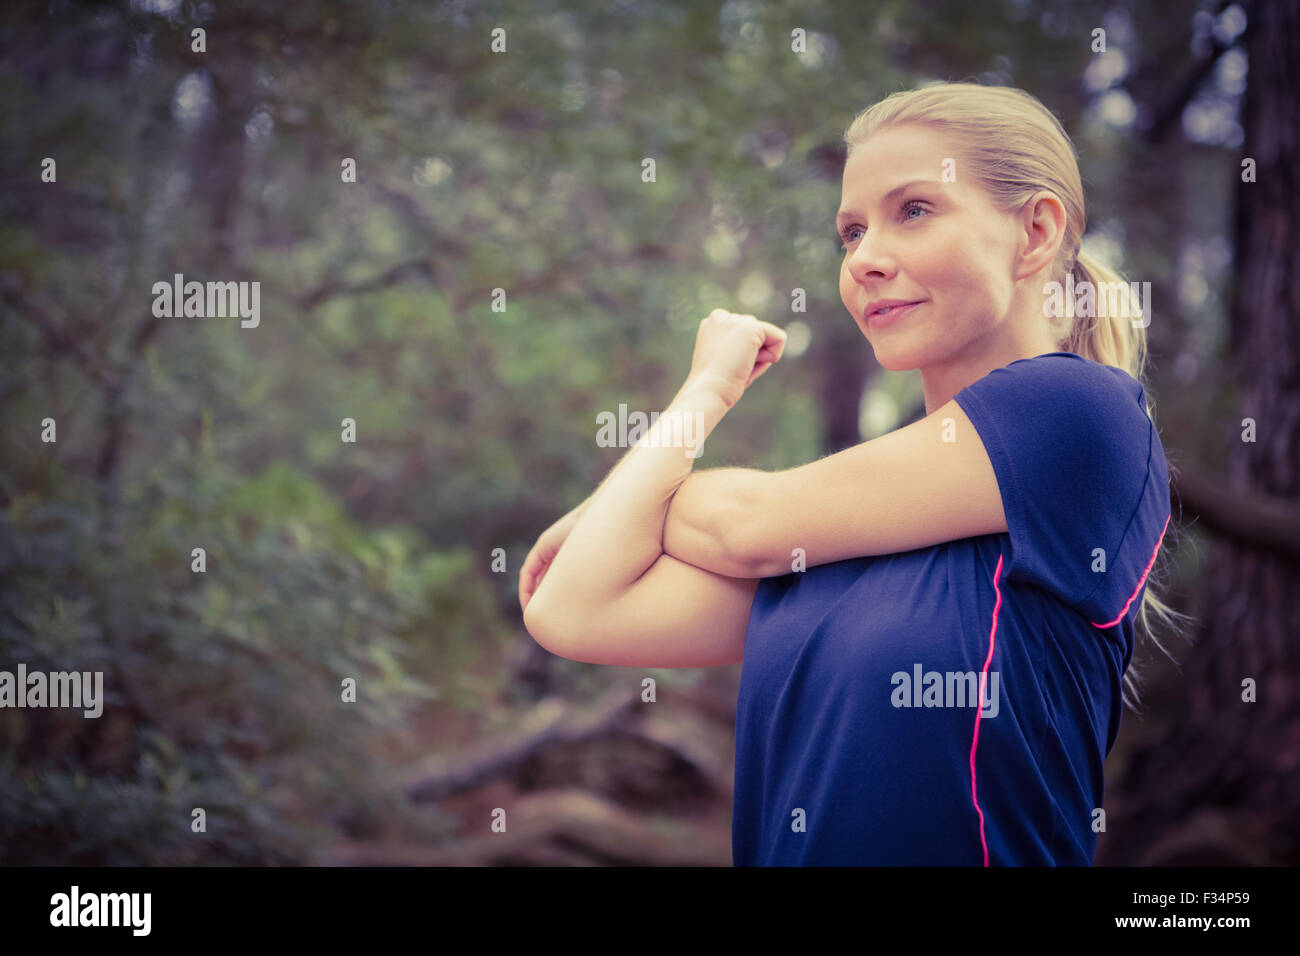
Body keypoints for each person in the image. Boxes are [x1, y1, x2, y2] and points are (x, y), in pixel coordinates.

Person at [520, 81, 1191, 866]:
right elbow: (571, 608)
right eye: (850, 231)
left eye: (914, 210)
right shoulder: (836, 534)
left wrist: (653, 489)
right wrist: (702, 394)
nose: (866, 259)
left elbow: (748, 527)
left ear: (1034, 232)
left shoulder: (1079, 411)